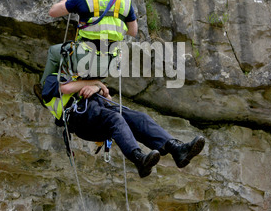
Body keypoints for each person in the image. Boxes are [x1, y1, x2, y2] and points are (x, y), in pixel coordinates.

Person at [42, 73, 206, 178]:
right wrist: (97, 85)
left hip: (99, 113)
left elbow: (108, 98)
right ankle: (138, 159)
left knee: (139, 118)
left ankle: (177, 149)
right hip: (80, 119)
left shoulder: (85, 79)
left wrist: (98, 88)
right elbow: (66, 88)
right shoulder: (52, 78)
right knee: (114, 118)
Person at [39, 0, 137, 87]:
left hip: (84, 60)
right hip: (109, 65)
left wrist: (65, 0)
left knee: (54, 52)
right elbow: (133, 31)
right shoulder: (126, 2)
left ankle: (45, 88)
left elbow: (53, 12)